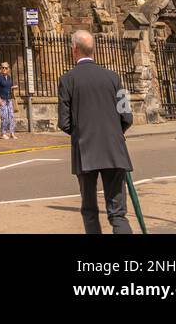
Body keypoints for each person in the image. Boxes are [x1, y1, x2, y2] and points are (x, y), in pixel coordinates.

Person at [57, 29, 134, 235]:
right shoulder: (114, 77)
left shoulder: (67, 80)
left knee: (89, 210)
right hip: (114, 150)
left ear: (74, 50)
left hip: (85, 151)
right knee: (118, 214)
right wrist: (114, 133)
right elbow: (127, 116)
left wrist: (82, 132)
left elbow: (64, 122)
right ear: (94, 50)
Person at [0, 61, 16, 139]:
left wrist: (13, 88)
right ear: (1, 68)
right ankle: (3, 133)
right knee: (4, 117)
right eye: (2, 67)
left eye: (6, 68)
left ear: (8, 69)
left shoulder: (9, 77)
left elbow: (9, 87)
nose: (4, 69)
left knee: (11, 116)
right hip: (2, 99)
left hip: (9, 99)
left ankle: (12, 133)